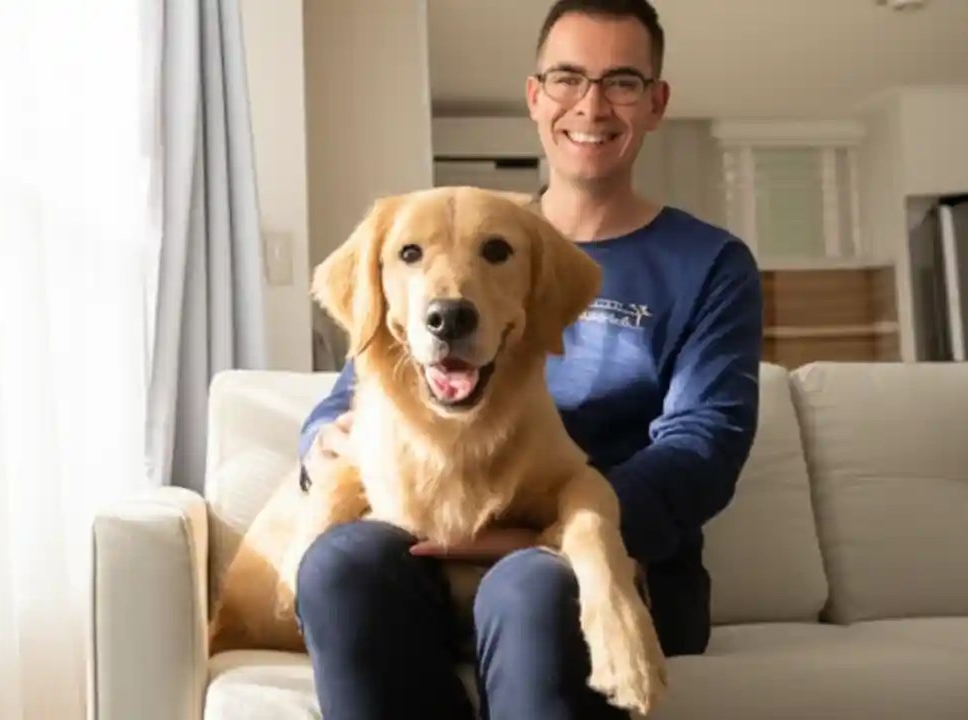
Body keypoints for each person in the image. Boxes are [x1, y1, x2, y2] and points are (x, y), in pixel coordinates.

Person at [293, 1, 763, 717]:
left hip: (600, 554)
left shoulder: (707, 265)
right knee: (339, 566)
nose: (592, 105)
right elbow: (370, 371)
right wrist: (321, 440)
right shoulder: (459, 239)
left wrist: (547, 535)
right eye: (568, 78)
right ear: (535, 95)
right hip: (432, 550)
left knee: (535, 586)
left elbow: (707, 445)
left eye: (623, 82)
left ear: (657, 102)